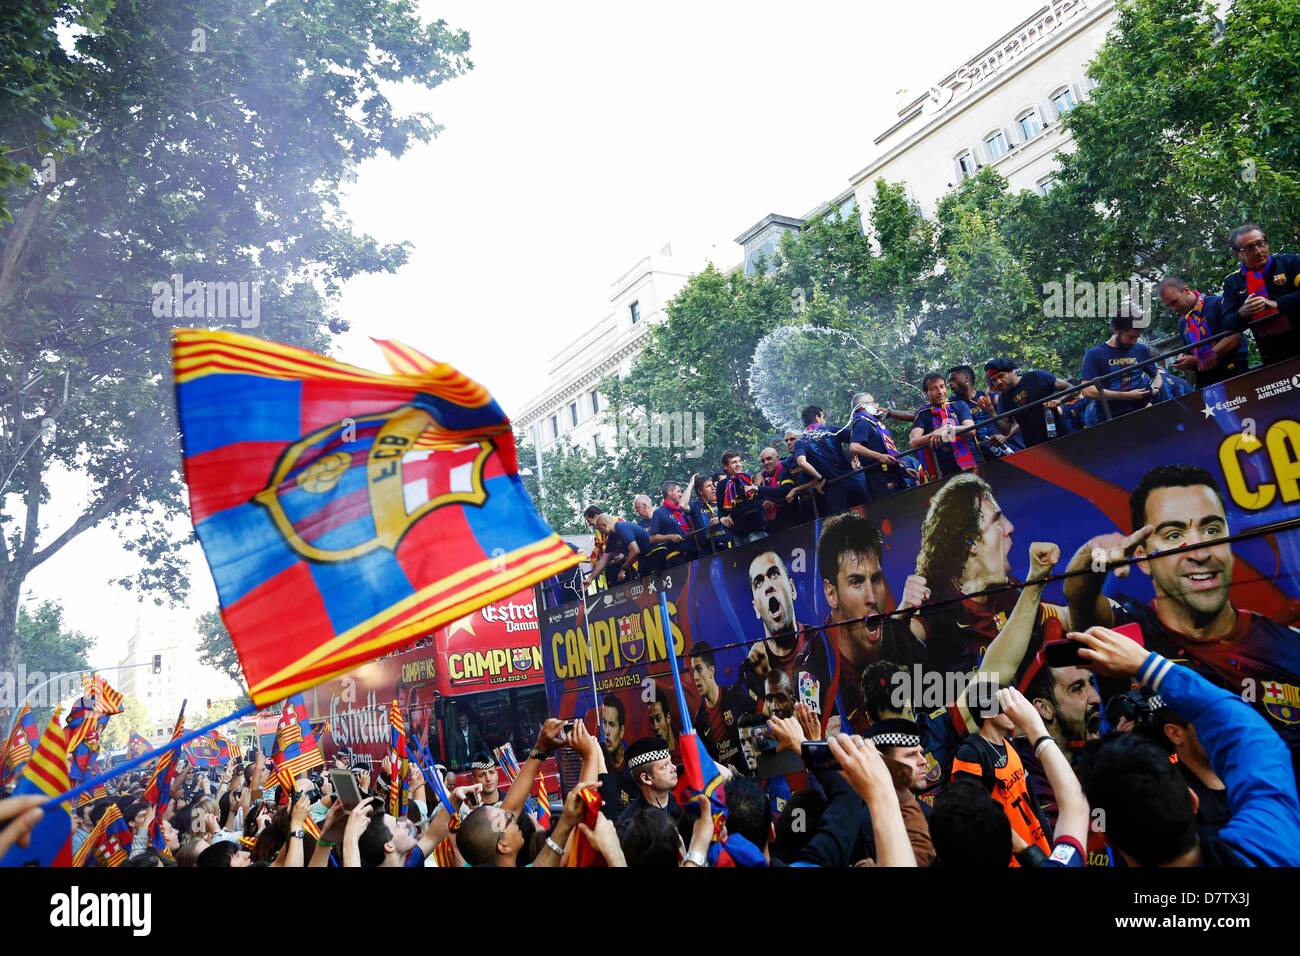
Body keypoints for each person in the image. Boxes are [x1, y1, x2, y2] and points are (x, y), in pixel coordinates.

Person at [1063, 463, 1300, 780]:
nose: (1199, 551)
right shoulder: (1126, 636)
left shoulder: (1289, 646)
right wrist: (1093, 555)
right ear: (1144, 560)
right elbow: (1079, 596)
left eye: (1212, 530)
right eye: (1174, 535)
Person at [1071, 624, 1300, 866]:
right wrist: (1147, 666)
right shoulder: (1268, 847)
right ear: (1192, 800)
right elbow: (1249, 737)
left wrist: (1040, 737)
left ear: (1109, 839)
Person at [912, 473, 1069, 680]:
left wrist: (1089, 558)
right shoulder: (933, 608)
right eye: (997, 519)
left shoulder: (1008, 594)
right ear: (972, 541)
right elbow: (894, 657)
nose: (1010, 527)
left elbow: (1069, 617)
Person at [949, 689, 1052, 859]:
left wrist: (1048, 834)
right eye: (1005, 706)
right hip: (1010, 856)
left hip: (1038, 848)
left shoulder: (1010, 743)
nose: (1012, 711)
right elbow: (972, 818)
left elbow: (1030, 797)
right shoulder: (970, 753)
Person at [740, 549, 837, 722]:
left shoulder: (823, 644)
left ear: (792, 589)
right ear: (755, 608)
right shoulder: (750, 671)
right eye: (759, 582)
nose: (769, 586)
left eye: (774, 574)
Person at [1220, 223, 1300, 368]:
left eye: (1260, 243)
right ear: (1238, 254)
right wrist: (1242, 313)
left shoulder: (1290, 262)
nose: (1258, 251)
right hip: (1273, 357)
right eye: (1249, 248)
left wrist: (1277, 304)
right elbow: (1226, 322)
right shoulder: (1232, 282)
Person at [1158, 275, 1249, 389]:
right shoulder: (1183, 322)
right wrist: (1184, 359)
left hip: (1233, 372)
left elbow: (1234, 337)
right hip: (1207, 381)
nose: (1173, 309)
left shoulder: (1217, 303)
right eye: (1169, 306)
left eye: (1174, 302)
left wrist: (1202, 357)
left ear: (1186, 290)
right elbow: (1190, 353)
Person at [1078, 306, 1163, 421]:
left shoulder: (1141, 349)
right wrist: (1127, 396)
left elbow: (1156, 375)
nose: (1134, 342)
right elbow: (1087, 390)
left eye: (1137, 337)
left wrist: (1153, 392)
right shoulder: (1094, 354)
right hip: (1111, 417)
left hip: (1143, 411)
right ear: (1116, 330)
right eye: (1130, 337)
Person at [794, 405, 868, 516]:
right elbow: (856, 436)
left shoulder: (801, 442)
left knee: (843, 525)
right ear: (817, 417)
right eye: (823, 417)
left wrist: (820, 478)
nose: (824, 420)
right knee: (868, 514)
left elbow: (802, 462)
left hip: (832, 489)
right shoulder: (831, 430)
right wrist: (854, 455)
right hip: (852, 481)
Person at [983, 359, 1071, 448]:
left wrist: (1058, 400)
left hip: (1061, 435)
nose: (998, 382)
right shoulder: (1004, 398)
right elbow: (1006, 430)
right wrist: (991, 411)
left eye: (1001, 376)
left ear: (1011, 371)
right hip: (1034, 446)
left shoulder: (1036, 377)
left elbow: (1071, 388)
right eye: (994, 380)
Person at [909, 372, 980, 481]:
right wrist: (934, 434)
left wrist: (947, 429)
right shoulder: (923, 414)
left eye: (942, 387)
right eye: (933, 389)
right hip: (945, 471)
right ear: (926, 393)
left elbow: (971, 430)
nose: (940, 392)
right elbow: (914, 442)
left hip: (973, 463)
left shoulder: (959, 405)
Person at [841, 393, 910, 499]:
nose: (876, 405)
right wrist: (879, 456)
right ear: (862, 406)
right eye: (873, 402)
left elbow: (887, 449)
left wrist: (902, 468)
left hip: (892, 473)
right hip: (879, 476)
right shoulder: (861, 422)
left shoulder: (874, 423)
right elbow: (854, 446)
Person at [689, 640, 745, 768]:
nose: (695, 677)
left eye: (699, 669)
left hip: (749, 779)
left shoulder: (734, 695)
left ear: (711, 670)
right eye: (693, 671)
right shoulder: (699, 720)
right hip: (725, 784)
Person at [950, 365, 1020, 459]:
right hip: (979, 456)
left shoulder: (989, 397)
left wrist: (1006, 436)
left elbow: (1018, 415)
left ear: (966, 379)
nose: (950, 384)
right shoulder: (952, 405)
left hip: (1005, 449)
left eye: (953, 379)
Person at [616, 737, 681, 825]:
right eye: (665, 766)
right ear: (646, 778)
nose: (674, 768)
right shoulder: (630, 824)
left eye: (671, 761)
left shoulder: (686, 804)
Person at [717, 450, 766, 545]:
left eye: (739, 461)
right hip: (737, 534)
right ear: (725, 466)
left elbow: (756, 503)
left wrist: (733, 514)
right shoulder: (722, 485)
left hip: (755, 529)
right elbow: (720, 509)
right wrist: (722, 518)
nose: (738, 464)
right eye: (734, 462)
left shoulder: (749, 478)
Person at [647, 481, 699, 569]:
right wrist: (670, 537)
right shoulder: (659, 513)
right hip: (676, 557)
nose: (681, 494)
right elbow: (652, 538)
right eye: (678, 491)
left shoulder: (683, 509)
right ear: (670, 492)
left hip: (694, 552)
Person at [594, 512, 650, 583]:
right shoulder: (612, 537)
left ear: (604, 525)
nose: (600, 532)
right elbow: (604, 560)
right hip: (643, 559)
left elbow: (635, 550)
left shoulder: (621, 528)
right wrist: (590, 579)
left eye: (600, 529)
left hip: (652, 554)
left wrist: (623, 569)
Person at [687, 473, 732, 553]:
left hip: (729, 545)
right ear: (700, 491)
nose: (713, 488)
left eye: (712, 485)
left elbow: (732, 515)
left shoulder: (722, 501)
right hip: (709, 551)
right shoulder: (695, 505)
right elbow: (682, 505)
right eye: (708, 486)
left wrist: (720, 519)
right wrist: (691, 484)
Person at [583, 505, 624, 589]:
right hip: (611, 569)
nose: (589, 524)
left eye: (589, 521)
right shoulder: (598, 534)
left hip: (625, 566)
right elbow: (597, 552)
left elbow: (629, 541)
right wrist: (595, 562)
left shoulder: (618, 522)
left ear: (595, 516)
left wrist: (623, 554)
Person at [647, 689, 678, 758]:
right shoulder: (655, 760)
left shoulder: (686, 751)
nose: (655, 727)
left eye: (658, 719)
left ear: (668, 718)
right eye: (652, 721)